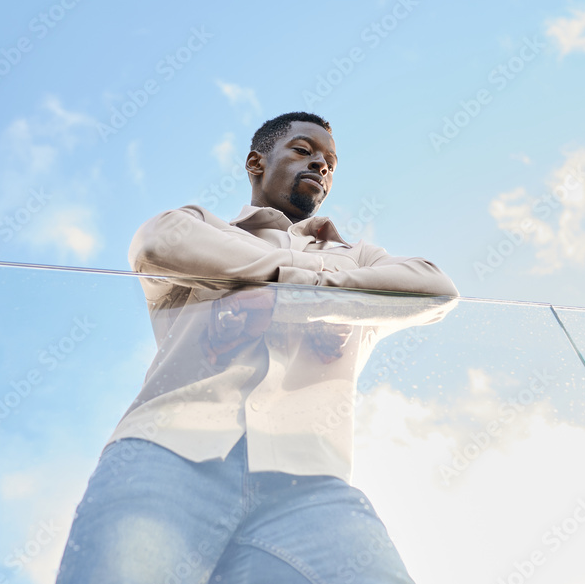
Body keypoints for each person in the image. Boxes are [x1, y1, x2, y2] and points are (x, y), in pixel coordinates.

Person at [55, 112, 458, 583]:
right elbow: (157, 242)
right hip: (167, 454)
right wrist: (325, 293)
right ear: (256, 163)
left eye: (329, 161)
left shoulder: (358, 255)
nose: (321, 166)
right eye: (303, 150)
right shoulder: (204, 229)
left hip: (312, 487)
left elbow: (435, 289)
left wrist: (287, 292)